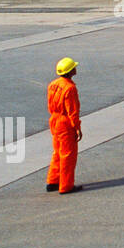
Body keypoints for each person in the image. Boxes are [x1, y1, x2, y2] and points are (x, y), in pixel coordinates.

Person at [46, 57, 83, 195]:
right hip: (65, 122)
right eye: (74, 67)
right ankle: (66, 186)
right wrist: (77, 128)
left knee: (57, 151)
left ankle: (53, 181)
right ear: (70, 71)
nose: (75, 68)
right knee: (68, 155)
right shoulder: (70, 88)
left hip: (54, 120)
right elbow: (72, 111)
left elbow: (50, 105)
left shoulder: (53, 84)